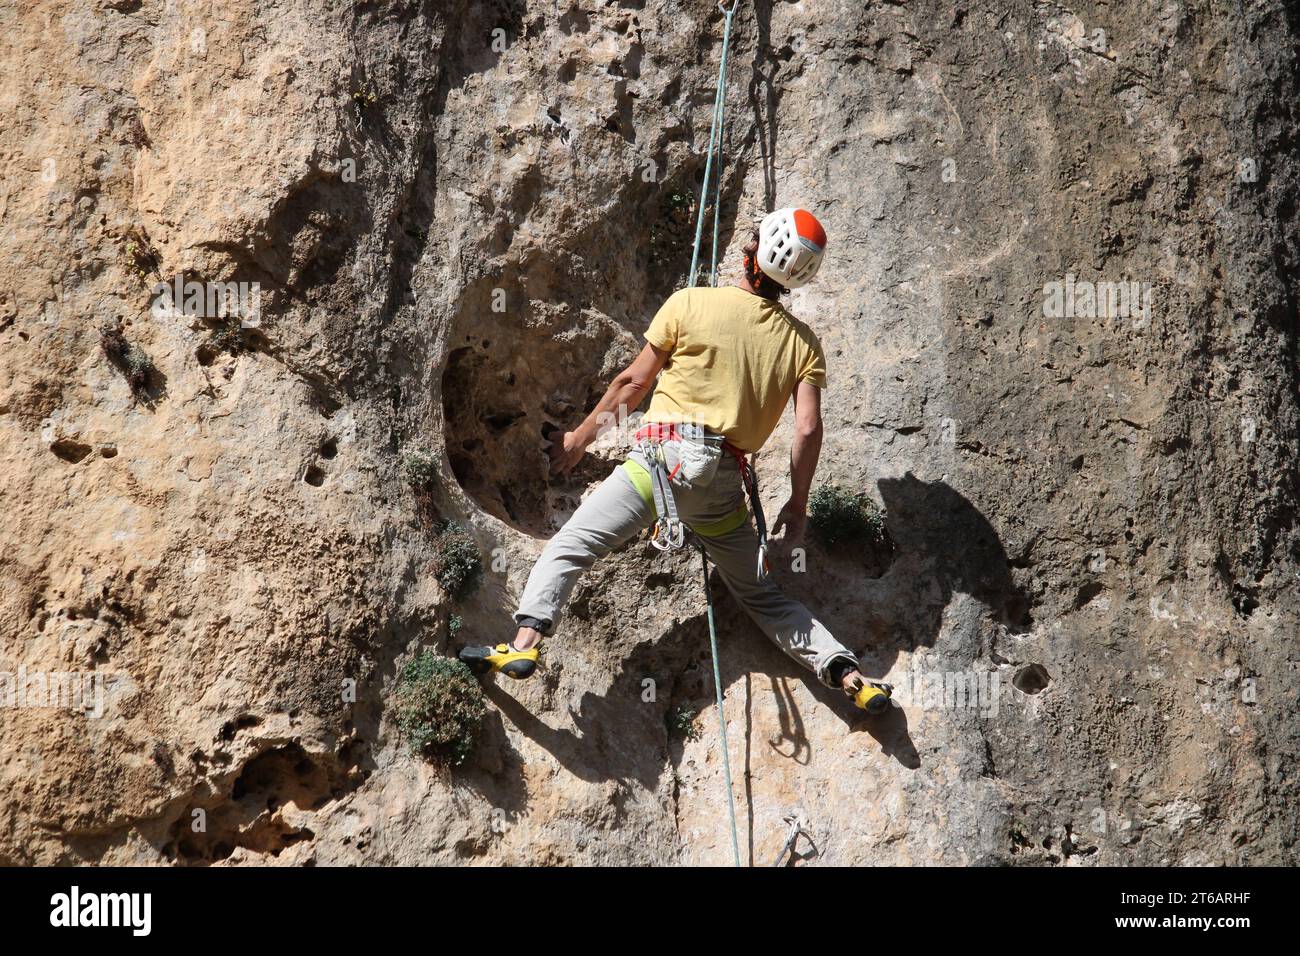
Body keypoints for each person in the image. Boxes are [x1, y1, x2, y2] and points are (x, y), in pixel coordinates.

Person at [459, 207, 891, 713]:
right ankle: (850, 674)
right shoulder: (803, 344)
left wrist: (577, 442)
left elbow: (633, 383)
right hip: (723, 487)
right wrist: (796, 506)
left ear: (751, 251)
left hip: (662, 464)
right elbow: (807, 428)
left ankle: (523, 645)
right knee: (763, 597)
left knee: (572, 545)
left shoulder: (690, 303)